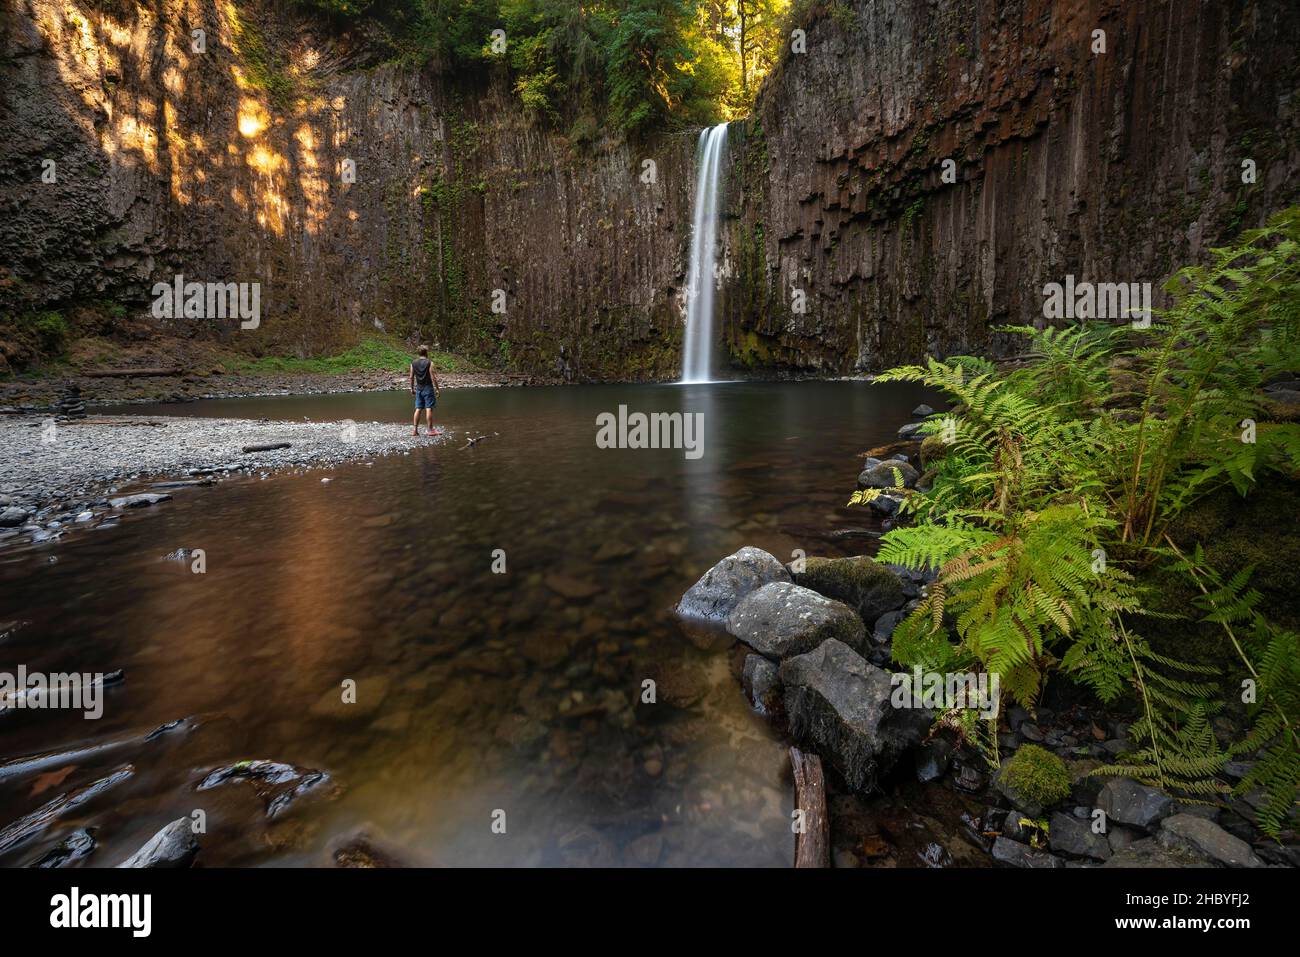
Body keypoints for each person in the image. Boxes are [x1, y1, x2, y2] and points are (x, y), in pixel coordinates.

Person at [409, 345, 441, 436]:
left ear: (418, 353)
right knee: (428, 408)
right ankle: (430, 430)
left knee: (418, 408)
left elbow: (411, 377)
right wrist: (437, 389)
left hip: (419, 388)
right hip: (428, 388)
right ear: (426, 353)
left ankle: (415, 430)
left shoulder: (413, 363)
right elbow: (433, 377)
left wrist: (411, 388)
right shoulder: (429, 362)